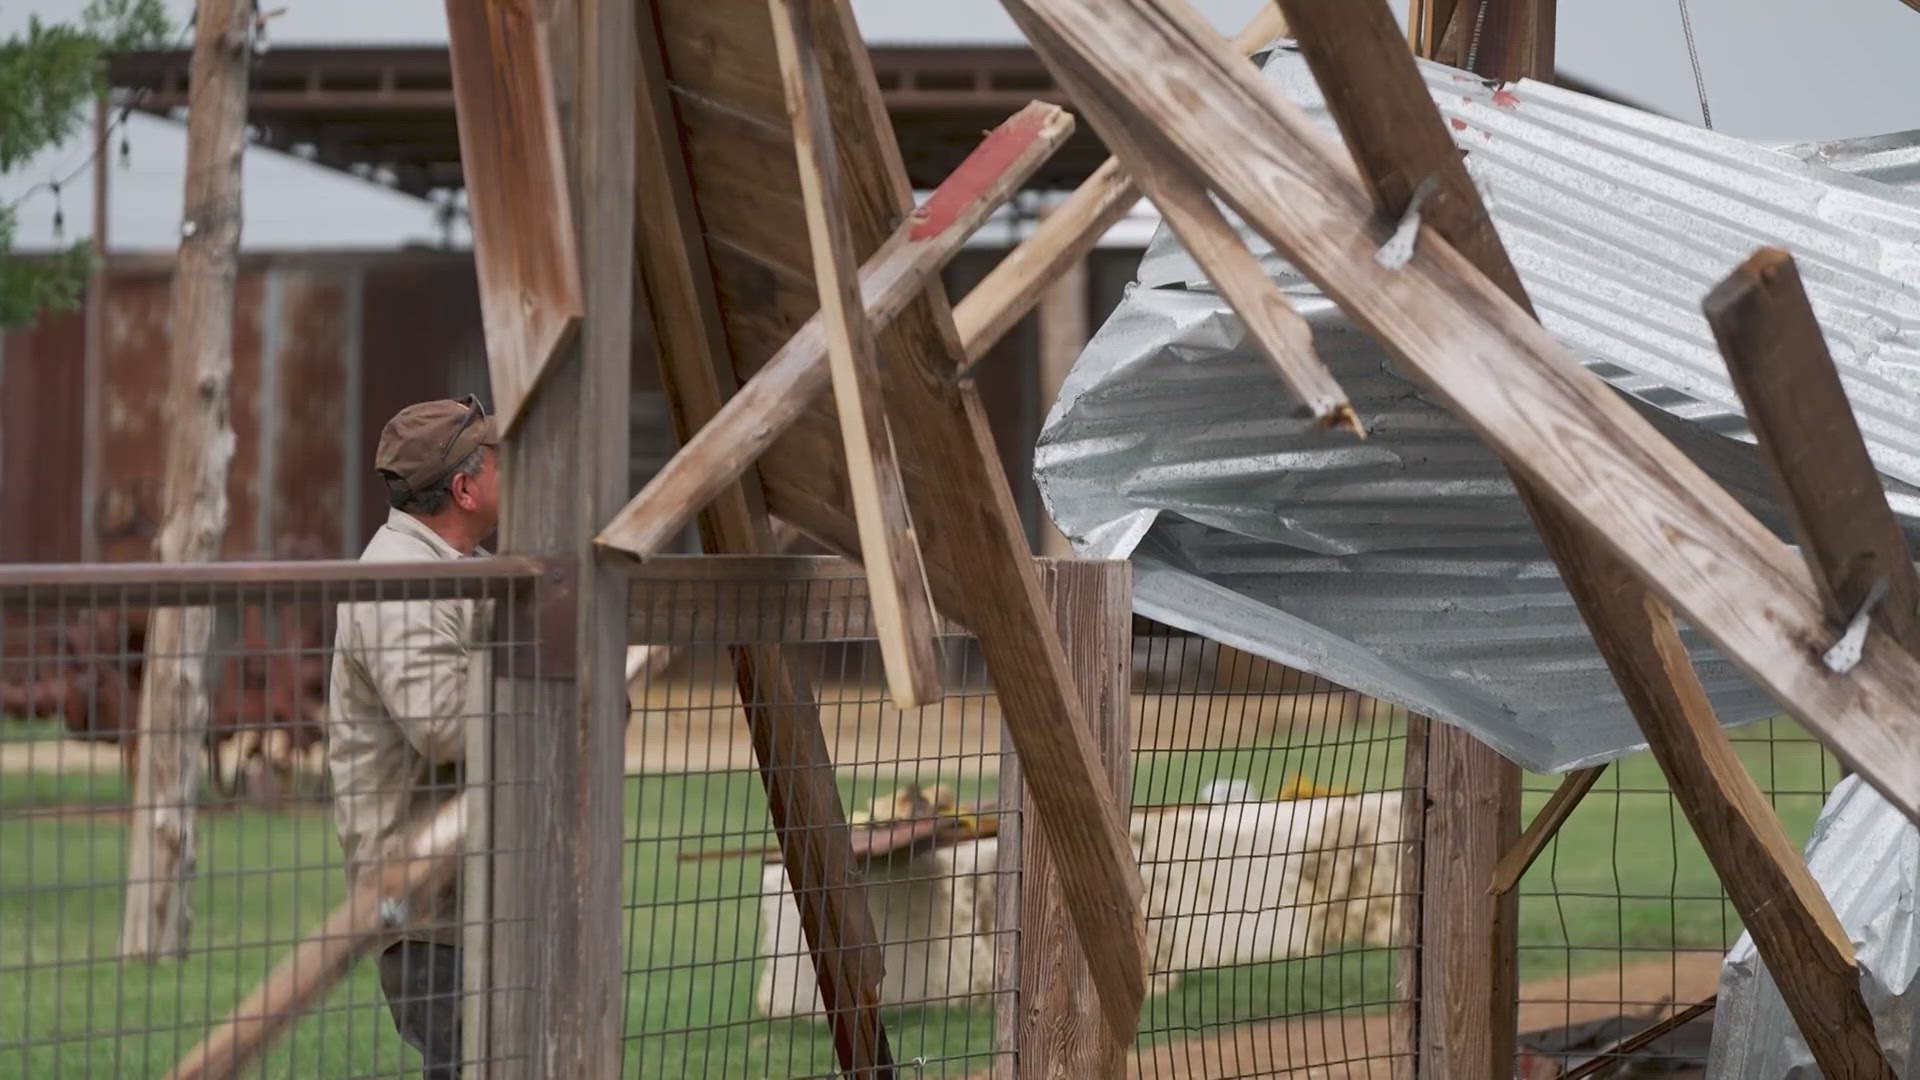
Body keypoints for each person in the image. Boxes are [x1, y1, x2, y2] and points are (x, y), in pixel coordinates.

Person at [326, 396, 500, 1080]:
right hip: (427, 903)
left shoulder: (450, 566)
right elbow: (444, 725)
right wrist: (555, 694)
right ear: (463, 487)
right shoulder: (403, 578)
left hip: (461, 888)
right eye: (499, 462)